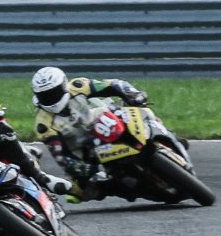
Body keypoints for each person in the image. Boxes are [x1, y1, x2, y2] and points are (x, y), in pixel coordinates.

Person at [29, 66, 150, 198]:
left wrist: (133, 94)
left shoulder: (78, 86)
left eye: (54, 92)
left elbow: (113, 84)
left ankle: (159, 132)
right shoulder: (43, 124)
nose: (51, 98)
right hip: (80, 148)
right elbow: (60, 155)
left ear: (64, 85)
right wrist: (82, 168)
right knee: (80, 191)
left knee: (142, 112)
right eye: (45, 96)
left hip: (98, 120)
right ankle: (124, 188)